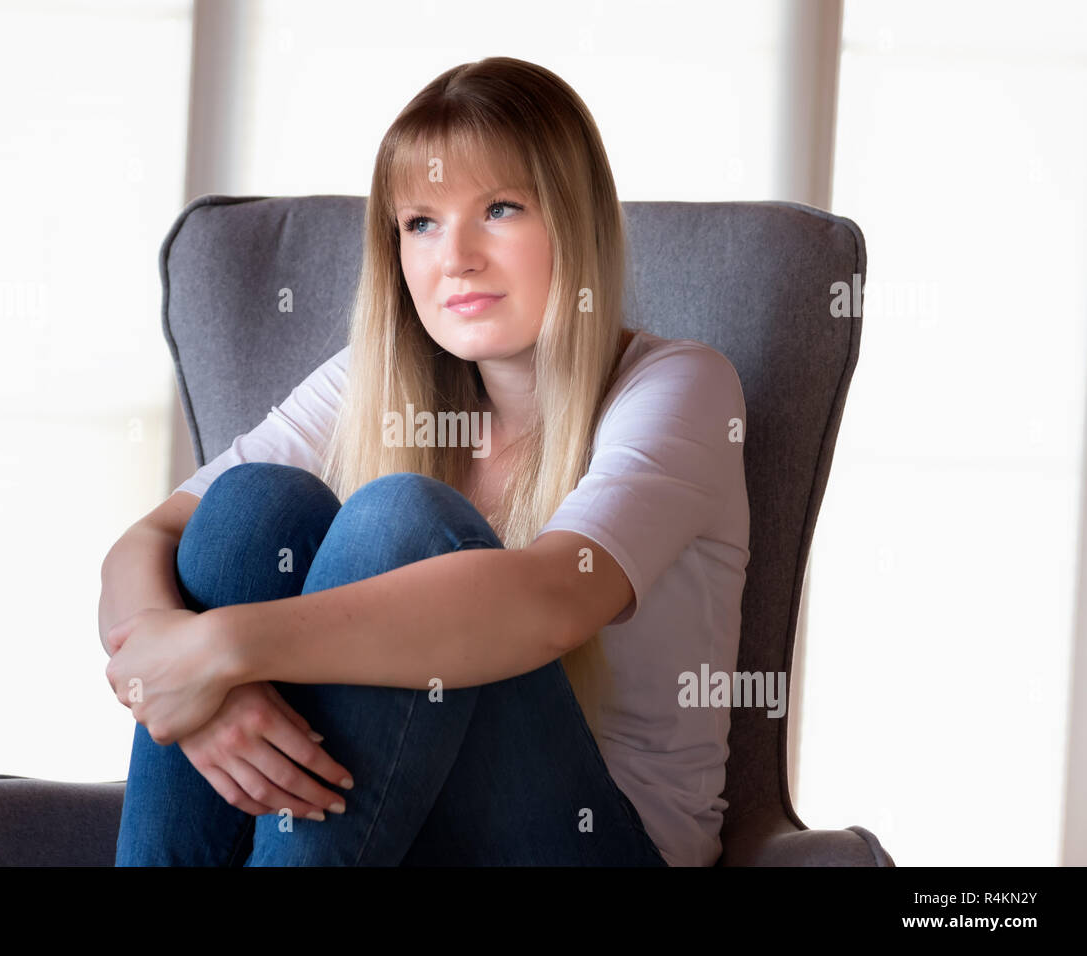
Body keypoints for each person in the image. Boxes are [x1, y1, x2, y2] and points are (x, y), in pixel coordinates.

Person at [101, 56, 749, 867]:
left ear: (576, 222)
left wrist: (222, 651)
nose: (457, 258)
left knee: (403, 524)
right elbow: (145, 543)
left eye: (502, 209)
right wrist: (192, 689)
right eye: (421, 223)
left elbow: (552, 599)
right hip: (407, 828)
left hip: (599, 844)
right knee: (249, 513)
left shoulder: (681, 386)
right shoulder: (376, 381)